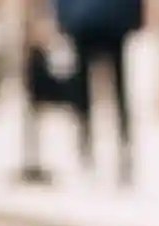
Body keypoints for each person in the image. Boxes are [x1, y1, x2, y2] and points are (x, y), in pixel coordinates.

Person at [52, 0, 144, 185]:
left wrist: (62, 19)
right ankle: (112, 148)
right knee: (114, 89)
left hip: (89, 20)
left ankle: (89, 149)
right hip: (106, 20)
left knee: (89, 91)